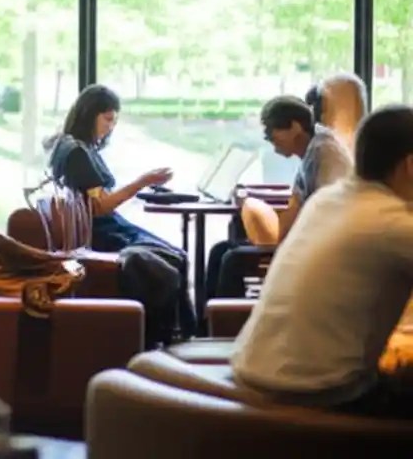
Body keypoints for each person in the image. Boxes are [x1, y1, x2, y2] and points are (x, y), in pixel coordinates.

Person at [230, 105, 413, 416]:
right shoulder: (393, 222)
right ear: (411, 165)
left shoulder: (327, 201)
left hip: (252, 373)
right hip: (319, 393)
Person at [47, 84, 195, 343]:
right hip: (103, 231)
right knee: (174, 259)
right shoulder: (78, 152)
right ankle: (173, 336)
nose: (110, 126)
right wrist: (142, 181)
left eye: (114, 120)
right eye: (107, 119)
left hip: (106, 225)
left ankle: (180, 334)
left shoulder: (75, 146)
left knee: (177, 256)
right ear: (89, 114)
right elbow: (100, 206)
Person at [206, 94, 355, 301]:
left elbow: (329, 212)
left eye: (271, 131)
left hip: (320, 250)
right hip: (300, 241)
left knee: (232, 260)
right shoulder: (311, 149)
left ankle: (227, 325)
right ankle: (207, 324)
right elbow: (295, 203)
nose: (269, 139)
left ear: (294, 127)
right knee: (220, 251)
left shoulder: (325, 153)